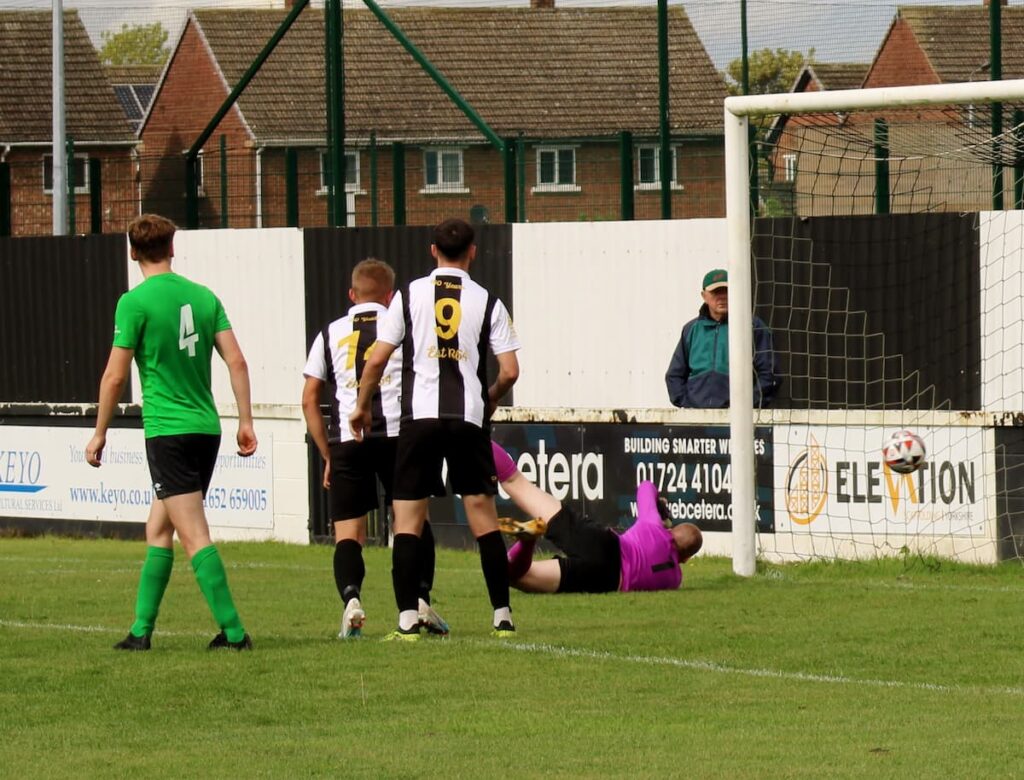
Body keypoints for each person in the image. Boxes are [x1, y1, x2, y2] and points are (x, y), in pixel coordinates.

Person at [86, 213, 256, 651]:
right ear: (172, 248)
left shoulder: (135, 302)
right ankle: (140, 631)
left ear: (132, 251)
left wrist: (99, 432)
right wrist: (245, 421)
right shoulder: (204, 297)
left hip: (168, 433)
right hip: (206, 428)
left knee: (194, 535)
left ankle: (235, 634)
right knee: (158, 529)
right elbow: (236, 361)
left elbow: (113, 376)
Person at [350, 218, 520, 641]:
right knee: (483, 516)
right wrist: (492, 394)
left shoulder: (408, 295)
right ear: (473, 252)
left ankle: (407, 618)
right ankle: (502, 615)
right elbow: (511, 371)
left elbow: (375, 360)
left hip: (420, 419)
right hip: (468, 420)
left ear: (432, 251)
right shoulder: (489, 301)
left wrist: (360, 406)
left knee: (407, 518)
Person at [302, 258, 449, 639]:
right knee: (413, 523)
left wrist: (327, 454)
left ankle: (352, 599)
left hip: (349, 441)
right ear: (390, 296)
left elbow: (309, 399)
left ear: (352, 295)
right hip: (401, 438)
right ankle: (419, 601)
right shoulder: (401, 326)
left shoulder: (329, 332)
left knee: (348, 533)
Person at [491, 442, 702, 594]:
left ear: (670, 531)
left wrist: (660, 510)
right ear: (685, 559)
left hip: (604, 544)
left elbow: (646, 486)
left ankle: (477, 435)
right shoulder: (674, 579)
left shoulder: (655, 526)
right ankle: (527, 542)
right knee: (515, 577)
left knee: (516, 482)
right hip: (605, 580)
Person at [665, 268, 781, 409]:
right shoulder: (691, 329)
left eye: (726, 291)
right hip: (696, 419)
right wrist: (688, 404)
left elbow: (770, 374)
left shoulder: (752, 326)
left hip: (740, 421)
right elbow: (674, 376)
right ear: (704, 296)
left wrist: (746, 406)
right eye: (715, 292)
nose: (722, 297)